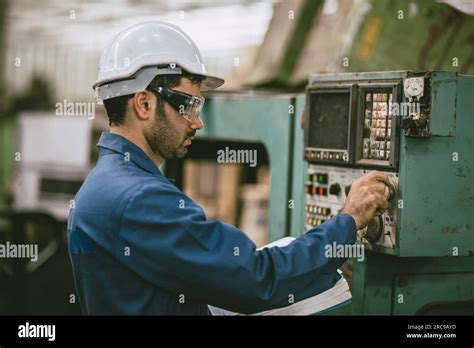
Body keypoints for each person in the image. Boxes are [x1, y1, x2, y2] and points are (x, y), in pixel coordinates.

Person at [67, 21, 392, 315]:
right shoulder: (137, 197)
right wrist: (346, 223)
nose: (198, 121)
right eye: (189, 104)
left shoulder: (106, 183)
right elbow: (257, 279)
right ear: (144, 103)